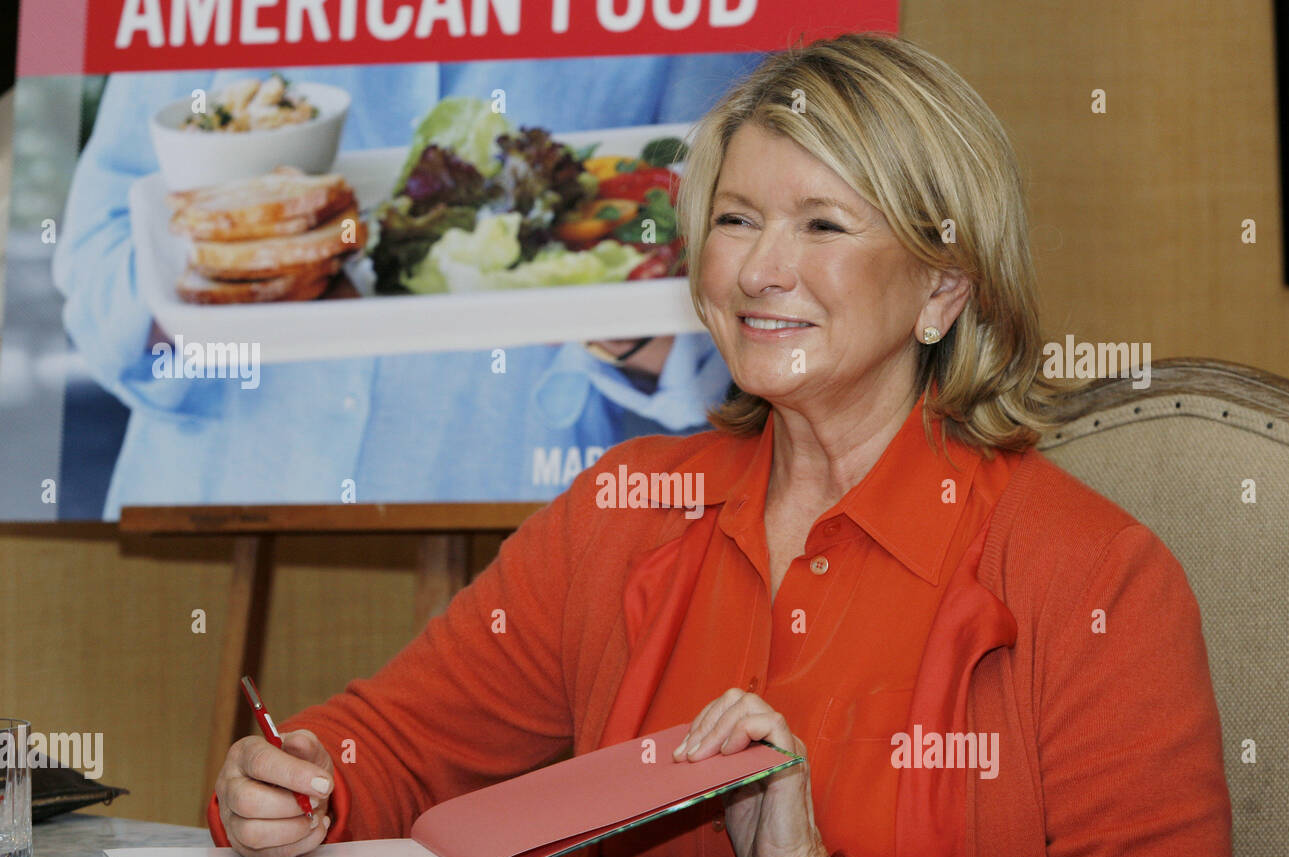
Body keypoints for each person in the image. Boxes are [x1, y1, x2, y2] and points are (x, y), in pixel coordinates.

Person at [210, 33, 1235, 857]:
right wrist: (299, 785)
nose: (762, 270)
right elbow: (393, 749)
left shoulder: (1090, 573)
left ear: (942, 290)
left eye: (824, 224)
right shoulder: (620, 510)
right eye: (735, 220)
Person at [50, 55, 761, 518]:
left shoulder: (676, 26)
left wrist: (612, 308)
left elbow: (736, 330)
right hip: (211, 516)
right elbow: (98, 263)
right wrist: (245, 254)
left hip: (515, 546)